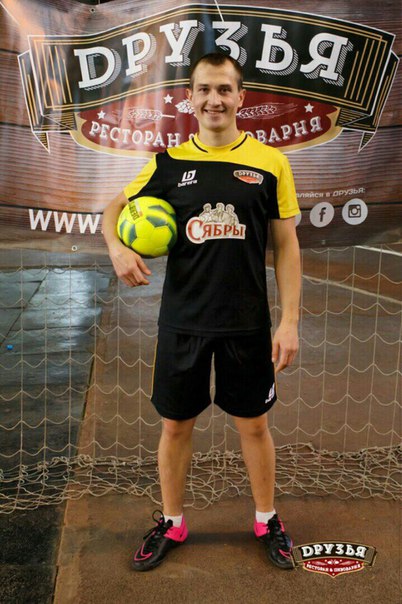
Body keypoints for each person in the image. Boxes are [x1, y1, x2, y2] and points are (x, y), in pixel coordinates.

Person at [102, 52, 301, 572]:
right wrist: (117, 249)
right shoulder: (167, 164)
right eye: (205, 90)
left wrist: (289, 322)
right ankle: (172, 522)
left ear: (241, 97)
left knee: (254, 426)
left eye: (224, 89)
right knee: (175, 427)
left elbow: (287, 246)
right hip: (183, 322)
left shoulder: (270, 163)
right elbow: (112, 210)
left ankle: (266, 519)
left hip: (247, 323)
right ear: (190, 98)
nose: (215, 99)